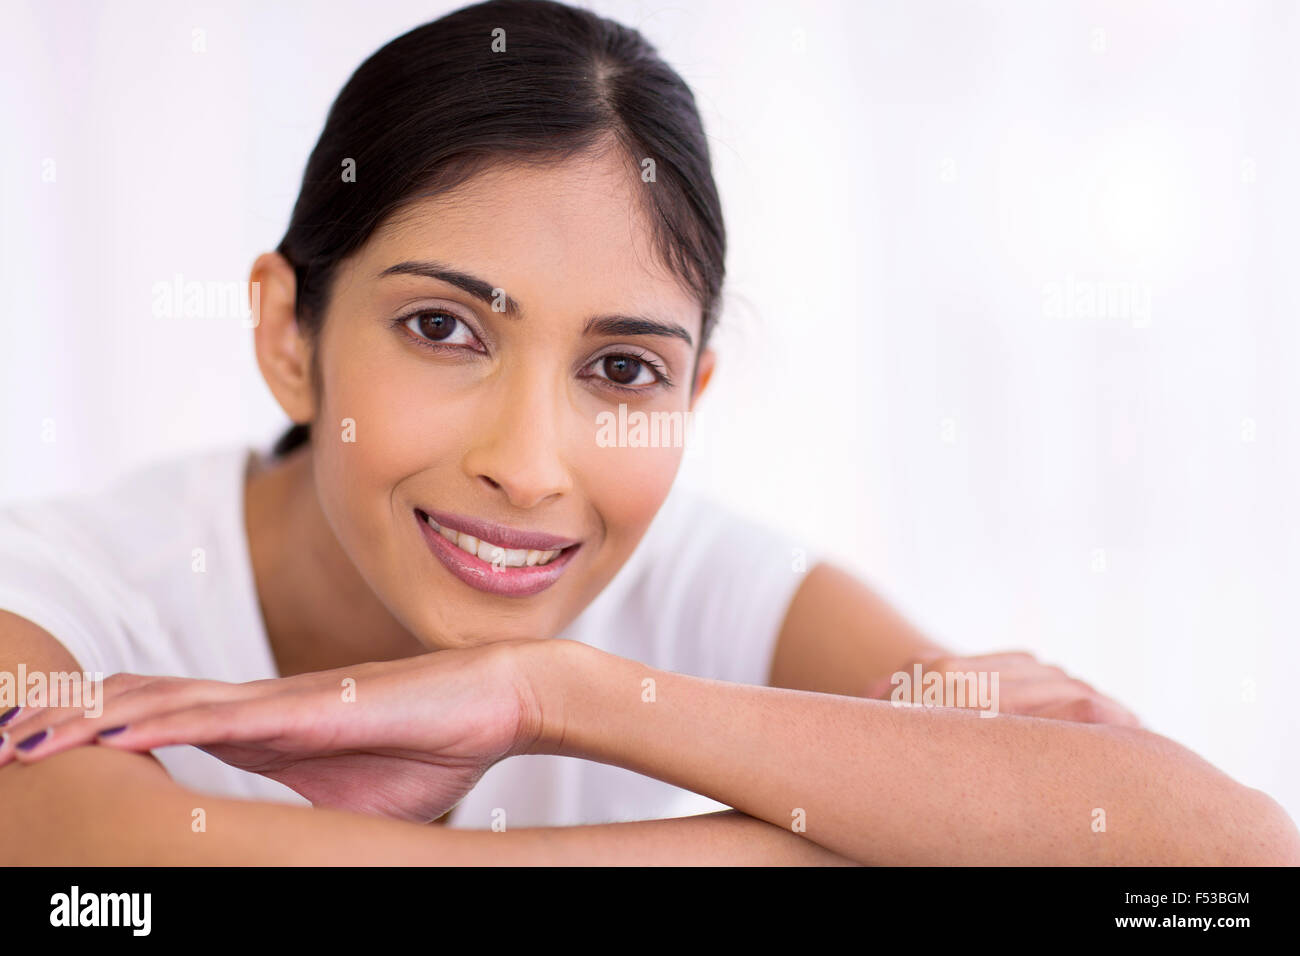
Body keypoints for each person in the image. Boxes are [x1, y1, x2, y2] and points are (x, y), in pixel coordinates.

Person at [1, 0, 1295, 865]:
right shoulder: (63, 600)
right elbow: (70, 857)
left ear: (693, 393)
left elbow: (1228, 848)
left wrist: (555, 695)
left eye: (622, 368)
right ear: (290, 335)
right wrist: (843, 835)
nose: (529, 462)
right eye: (445, 330)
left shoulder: (691, 581)